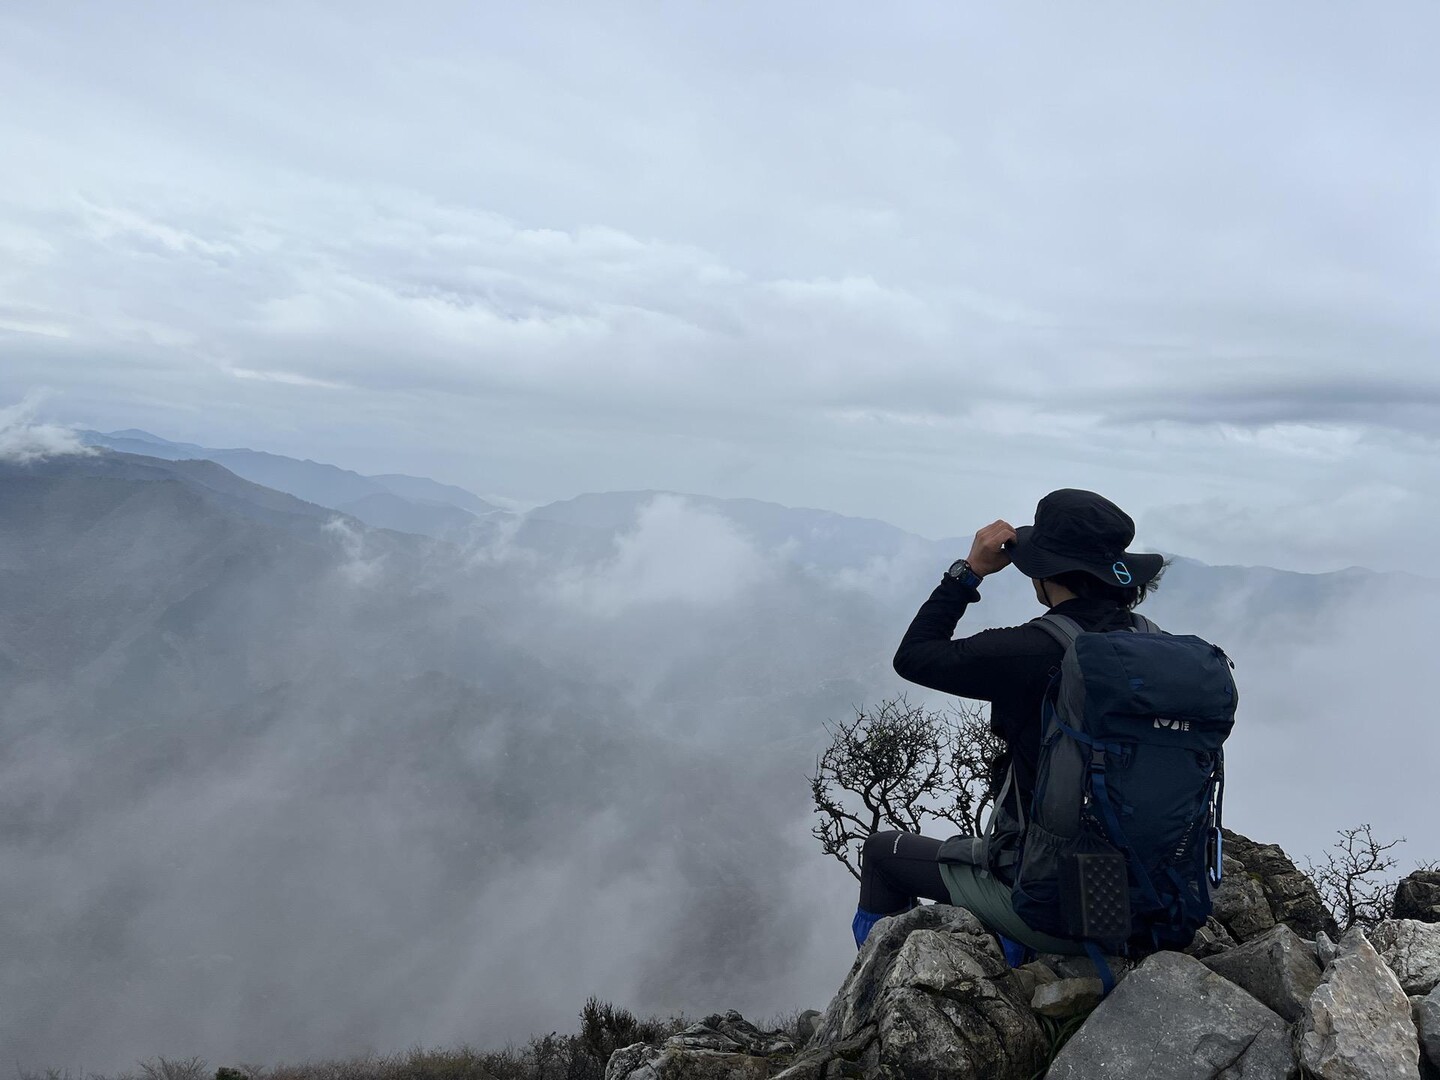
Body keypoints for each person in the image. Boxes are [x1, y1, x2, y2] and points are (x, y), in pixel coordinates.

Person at [852, 488, 1167, 955]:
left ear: (1044, 572)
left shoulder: (1030, 650)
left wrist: (969, 572)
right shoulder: (1160, 648)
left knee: (882, 853)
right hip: (1157, 902)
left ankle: (877, 991)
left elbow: (914, 656)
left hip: (1060, 909)